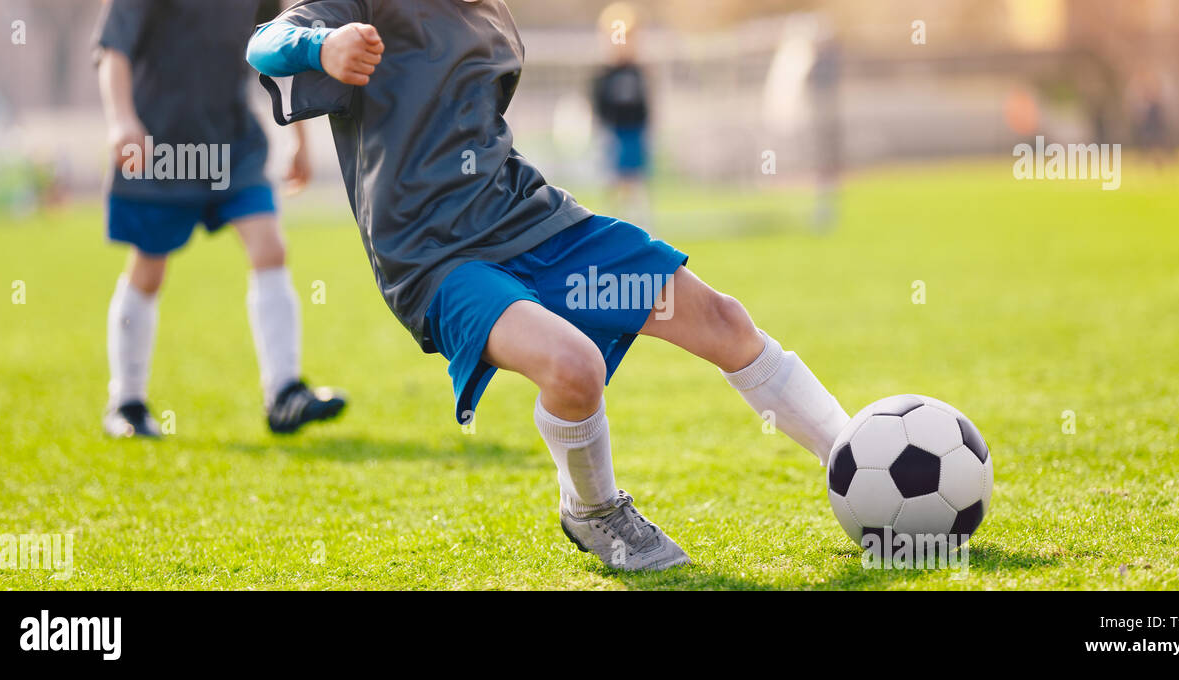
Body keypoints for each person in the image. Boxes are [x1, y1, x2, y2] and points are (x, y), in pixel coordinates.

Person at [247, 0, 849, 571]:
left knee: (723, 321)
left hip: (531, 219)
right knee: (575, 370)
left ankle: (853, 455)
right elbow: (265, 43)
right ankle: (593, 510)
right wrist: (323, 45)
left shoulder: (494, 19)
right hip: (435, 260)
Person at [94, 0, 347, 438]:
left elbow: (279, 46)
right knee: (149, 270)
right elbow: (112, 51)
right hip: (162, 148)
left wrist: (300, 136)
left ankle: (284, 392)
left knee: (270, 247)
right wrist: (120, 121)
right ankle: (128, 403)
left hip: (233, 145)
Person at [591, 15, 653, 227]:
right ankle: (609, 226)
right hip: (612, 133)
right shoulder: (604, 75)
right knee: (612, 182)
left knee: (634, 182)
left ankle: (641, 225)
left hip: (634, 133)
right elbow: (598, 106)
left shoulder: (638, 73)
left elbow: (645, 106)